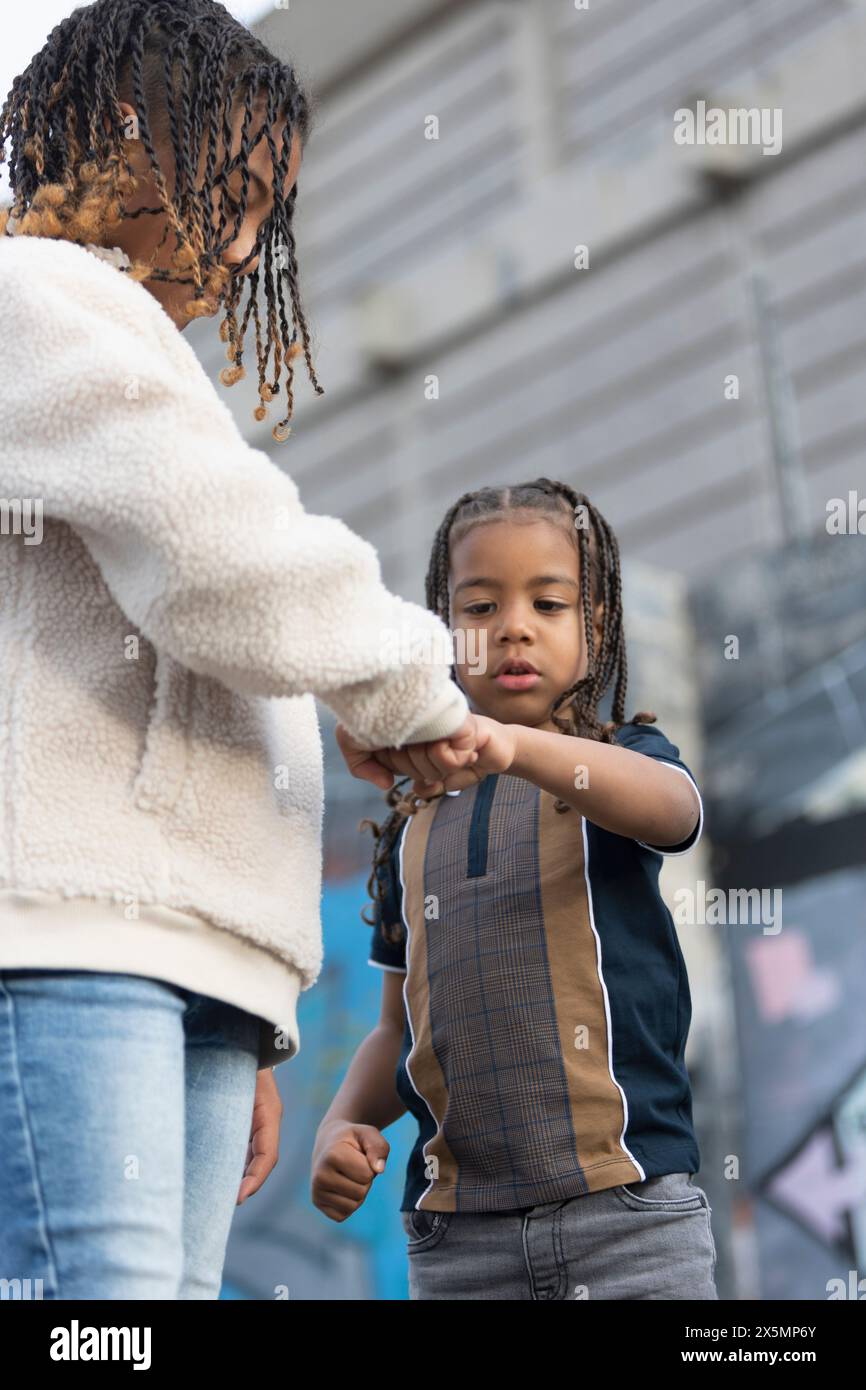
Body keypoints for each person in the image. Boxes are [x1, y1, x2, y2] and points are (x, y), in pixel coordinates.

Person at [0, 0, 476, 1300]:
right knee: (89, 1304)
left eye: (269, 207)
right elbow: (215, 561)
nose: (244, 238)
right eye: (228, 185)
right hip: (65, 935)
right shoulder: (30, 297)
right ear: (114, 136)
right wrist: (411, 687)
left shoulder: (123, 354)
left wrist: (243, 1007)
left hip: (167, 946)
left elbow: (195, 631)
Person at [311, 477, 719, 1301]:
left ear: (595, 627)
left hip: (629, 1218)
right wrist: (339, 1124)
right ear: (444, 634)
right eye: (481, 608)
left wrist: (510, 745)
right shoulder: (410, 822)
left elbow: (675, 811)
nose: (515, 629)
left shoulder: (617, 759)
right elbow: (395, 1028)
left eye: (549, 604)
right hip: (461, 1244)